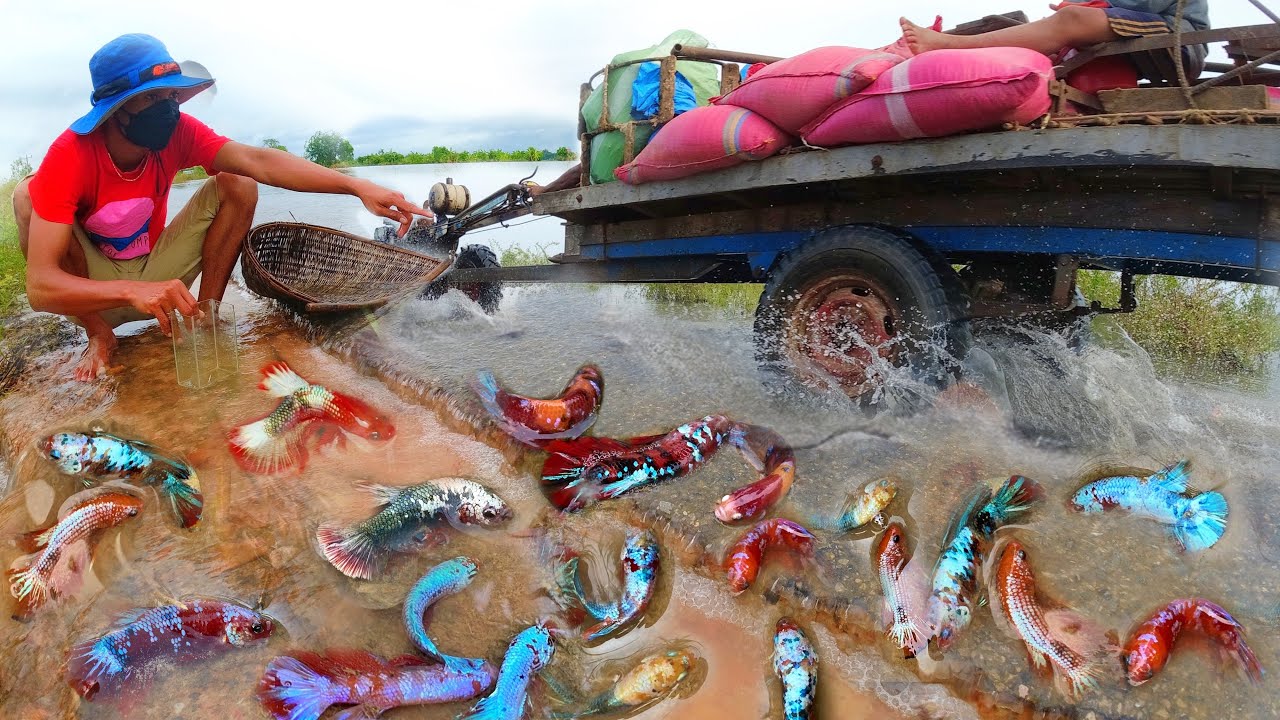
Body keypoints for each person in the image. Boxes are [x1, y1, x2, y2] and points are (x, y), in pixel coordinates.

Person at [12, 33, 432, 381]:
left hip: (156, 270)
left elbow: (257, 161)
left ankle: (204, 317)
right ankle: (100, 336)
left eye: (171, 96)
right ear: (118, 108)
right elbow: (41, 288)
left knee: (238, 183)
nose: (169, 109)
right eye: (153, 99)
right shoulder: (72, 155)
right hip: (94, 292)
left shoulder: (177, 133)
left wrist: (354, 185)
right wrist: (130, 290)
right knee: (28, 195)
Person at [899, 0, 1209, 79]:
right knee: (1058, 22)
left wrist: (1076, 10)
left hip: (1180, 40)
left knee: (1072, 19)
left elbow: (1140, 5)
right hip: (1146, 31)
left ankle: (946, 45)